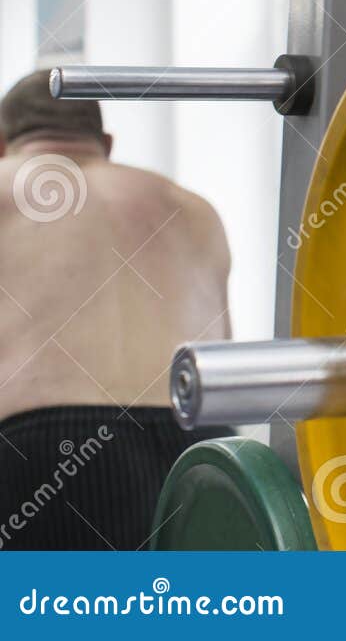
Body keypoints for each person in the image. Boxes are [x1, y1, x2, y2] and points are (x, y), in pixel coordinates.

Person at [0, 70, 232, 550]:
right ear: (105, 141)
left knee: (55, 619)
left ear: (2, 142)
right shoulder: (191, 206)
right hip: (202, 444)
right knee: (188, 619)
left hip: (44, 447)